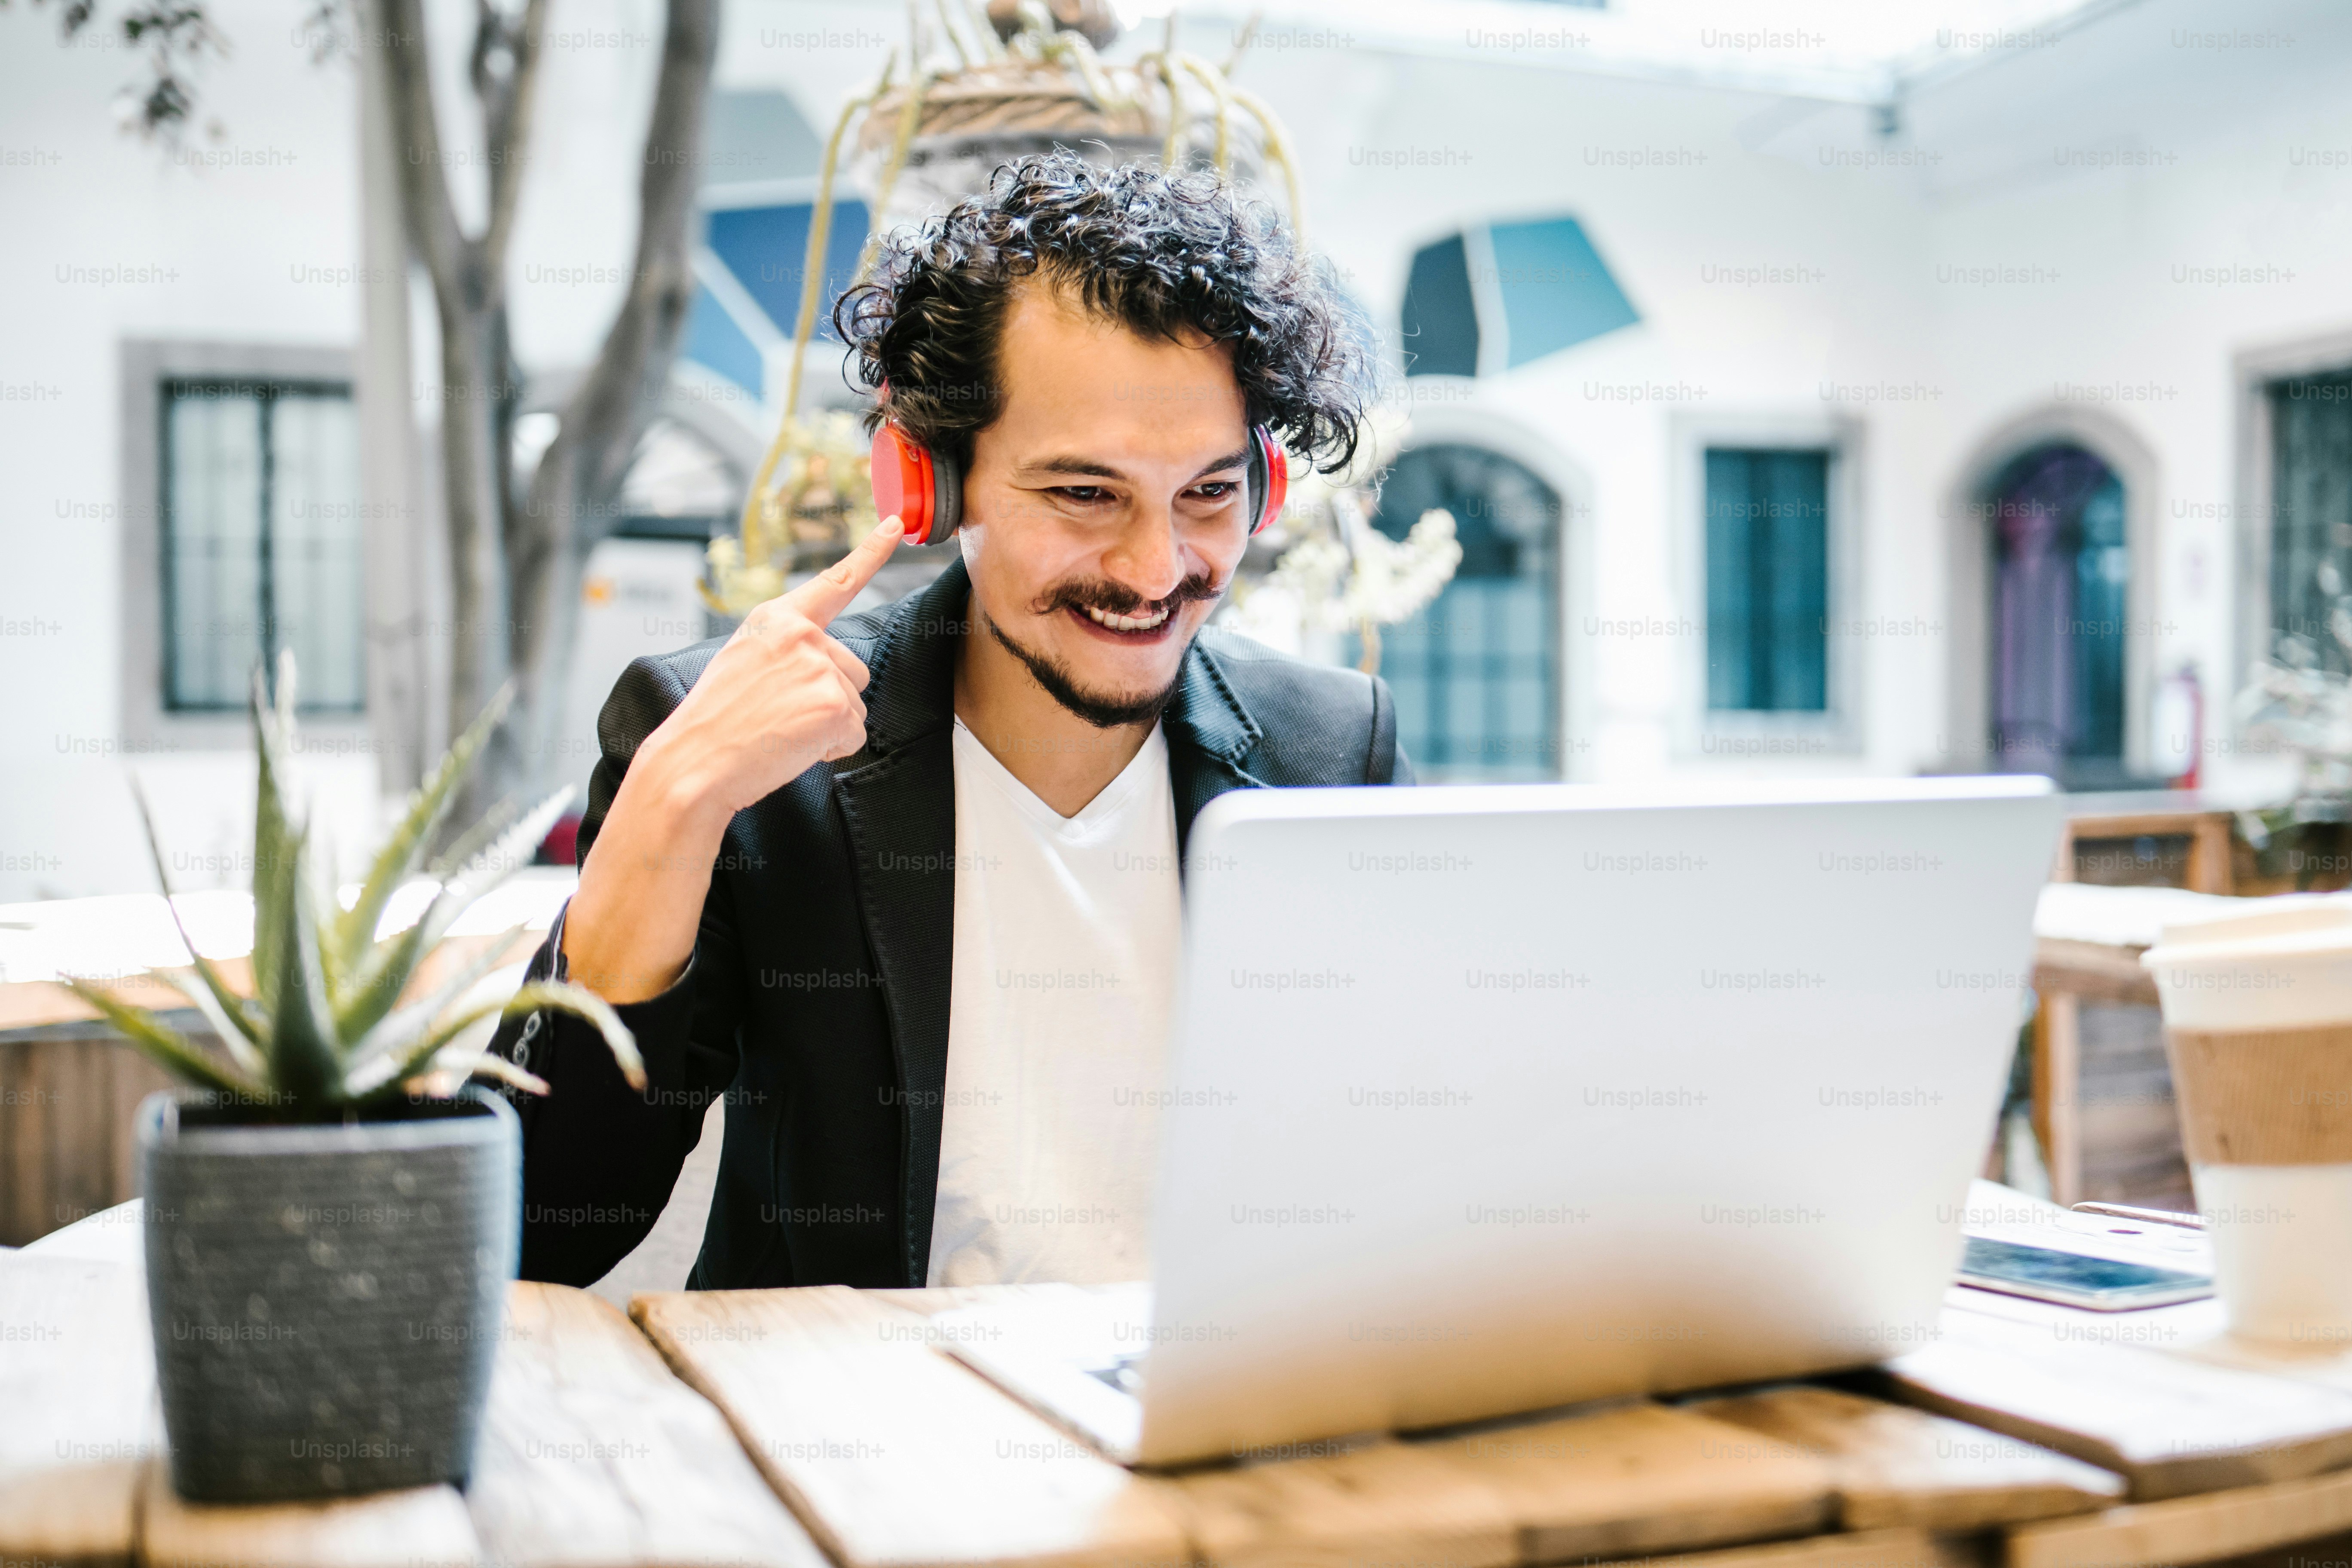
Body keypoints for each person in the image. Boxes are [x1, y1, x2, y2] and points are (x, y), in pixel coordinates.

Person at [487, 151, 1409, 1291]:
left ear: (1264, 484)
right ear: (927, 482)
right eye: (1084, 494)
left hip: (1215, 1431)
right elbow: (541, 1236)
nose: (1155, 568)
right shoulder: (756, 764)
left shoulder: (1332, 749)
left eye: (1208, 495)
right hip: (865, 1444)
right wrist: (670, 810)